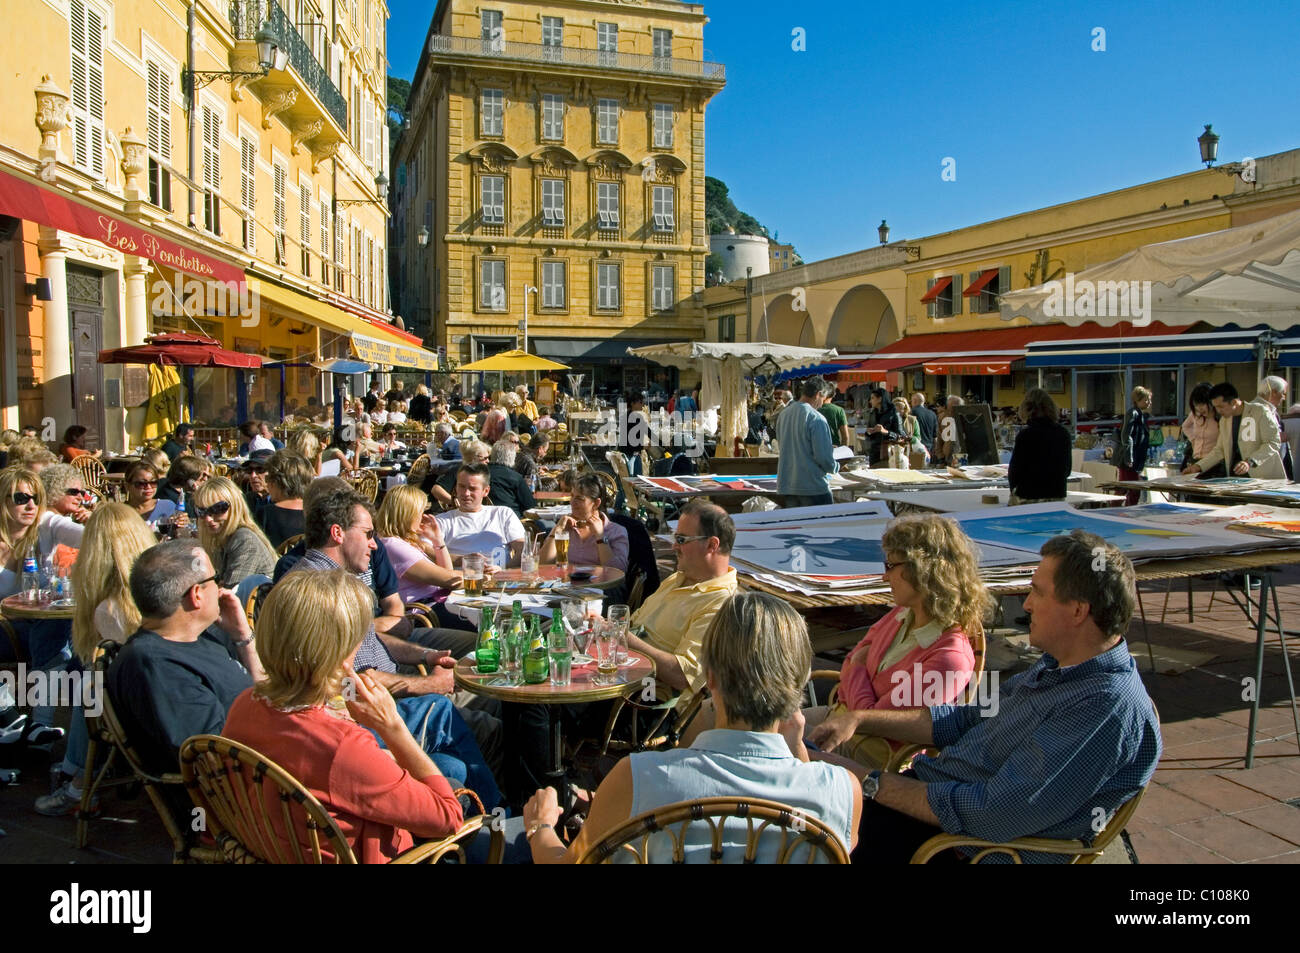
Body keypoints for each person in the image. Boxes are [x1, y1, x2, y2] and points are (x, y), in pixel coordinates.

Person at [814, 530, 1161, 864]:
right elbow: (964, 719)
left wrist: (869, 781)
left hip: (953, 845)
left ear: (1077, 611)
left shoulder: (1103, 707)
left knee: (798, 829)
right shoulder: (1059, 668)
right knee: (797, 794)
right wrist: (858, 718)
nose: (1026, 605)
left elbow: (991, 812)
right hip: (927, 807)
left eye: (1038, 593)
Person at [512, 592, 861, 863]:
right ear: (800, 682)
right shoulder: (842, 792)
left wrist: (540, 825)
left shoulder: (638, 776)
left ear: (709, 678)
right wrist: (797, 750)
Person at [221, 570, 465, 862]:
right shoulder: (344, 746)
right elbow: (449, 818)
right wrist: (393, 727)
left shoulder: (244, 705)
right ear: (337, 652)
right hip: (395, 855)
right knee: (463, 795)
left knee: (451, 766)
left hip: (281, 847)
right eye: (356, 639)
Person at [797, 516, 987, 770]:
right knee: (751, 726)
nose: (885, 576)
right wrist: (857, 670)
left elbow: (874, 719)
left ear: (922, 570)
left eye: (890, 565)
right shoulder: (900, 615)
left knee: (764, 739)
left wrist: (855, 669)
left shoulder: (949, 656)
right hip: (839, 720)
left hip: (872, 756)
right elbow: (858, 676)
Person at [105, 540, 263, 780]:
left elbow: (261, 691)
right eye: (216, 578)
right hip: (251, 793)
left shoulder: (197, 638)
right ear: (196, 594)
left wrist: (242, 637)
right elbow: (214, 757)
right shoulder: (158, 666)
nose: (222, 588)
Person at [37, 504, 156, 816]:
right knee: (89, 680)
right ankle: (76, 777)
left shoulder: (112, 608)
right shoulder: (152, 589)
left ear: (95, 551)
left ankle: (77, 784)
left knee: (90, 686)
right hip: (170, 696)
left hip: (145, 714)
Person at [0, 467, 84, 743]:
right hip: (3, 629)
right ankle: (56, 735)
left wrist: (98, 522)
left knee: (62, 628)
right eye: (22, 497)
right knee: (71, 652)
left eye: (37, 497)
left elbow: (84, 536)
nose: (31, 505)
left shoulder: (45, 523)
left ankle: (41, 731)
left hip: (35, 626)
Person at [375, 484, 461, 606]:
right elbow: (448, 580)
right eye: (421, 512)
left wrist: (437, 540)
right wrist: (485, 578)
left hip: (437, 602)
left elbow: (448, 573)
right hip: (424, 611)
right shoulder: (393, 546)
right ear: (407, 515)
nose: (423, 517)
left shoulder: (405, 541)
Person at [1183, 382, 1284, 479]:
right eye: (1215, 407)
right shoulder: (1224, 421)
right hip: (1234, 477)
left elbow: (1273, 442)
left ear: (1234, 402)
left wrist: (1250, 461)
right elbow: (1219, 450)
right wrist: (1198, 467)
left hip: (1262, 477)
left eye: (1221, 406)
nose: (1218, 411)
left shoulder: (1260, 411)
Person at [192, 477, 277, 591]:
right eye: (201, 511)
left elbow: (229, 594)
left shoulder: (244, 539)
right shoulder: (221, 538)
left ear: (235, 507)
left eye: (217, 509)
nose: (208, 518)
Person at [435, 463, 526, 568]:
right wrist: (463, 560)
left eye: (472, 489)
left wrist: (503, 571)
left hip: (499, 579)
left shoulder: (502, 514)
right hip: (460, 580)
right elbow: (424, 551)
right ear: (455, 487)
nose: (466, 493)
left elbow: (523, 549)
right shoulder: (442, 521)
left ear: (486, 491)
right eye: (462, 486)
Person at [538, 471, 628, 571]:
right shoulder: (565, 526)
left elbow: (618, 571)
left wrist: (600, 537)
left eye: (580, 498)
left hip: (601, 585)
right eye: (572, 496)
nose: (572, 502)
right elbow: (542, 564)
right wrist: (557, 531)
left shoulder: (616, 531)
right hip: (567, 584)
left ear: (596, 503)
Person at [775, 377, 838, 508]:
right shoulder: (816, 418)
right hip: (813, 487)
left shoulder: (784, 414)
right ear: (818, 394)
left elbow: (783, 445)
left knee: (795, 527)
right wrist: (836, 466)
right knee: (821, 526)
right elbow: (823, 458)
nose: (821, 404)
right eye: (822, 399)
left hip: (788, 485)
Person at [1008, 388, 1072, 504]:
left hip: (1028, 495)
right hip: (1056, 495)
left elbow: (1015, 471)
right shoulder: (1063, 433)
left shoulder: (1025, 435)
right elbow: (1067, 470)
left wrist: (1013, 491)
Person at [258, 450, 311, 548]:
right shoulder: (317, 512)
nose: (267, 483)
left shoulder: (265, 514)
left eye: (268, 478)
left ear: (276, 481)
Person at [426, 438, 490, 509]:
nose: (488, 461)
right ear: (474, 458)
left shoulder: (482, 472)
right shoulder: (459, 469)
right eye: (486, 458)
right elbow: (436, 490)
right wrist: (454, 502)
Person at [1116, 386, 1151, 505]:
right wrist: (1128, 456)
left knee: (1133, 489)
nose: (1149, 402)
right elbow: (1127, 435)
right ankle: (1115, 509)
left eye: (1149, 400)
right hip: (1129, 459)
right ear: (1137, 400)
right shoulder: (1133, 413)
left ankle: (1127, 509)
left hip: (1135, 459)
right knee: (1127, 487)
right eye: (1146, 400)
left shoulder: (1140, 414)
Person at [486, 436, 537, 517]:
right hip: (511, 519)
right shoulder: (515, 477)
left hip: (485, 518)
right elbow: (530, 506)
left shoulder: (480, 474)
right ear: (512, 457)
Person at [1181, 383, 1222, 479]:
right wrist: (1193, 440)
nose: (1199, 408)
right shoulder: (1195, 414)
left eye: (1202, 404)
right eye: (1196, 405)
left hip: (1213, 463)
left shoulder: (1221, 417)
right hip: (1195, 460)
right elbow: (1185, 426)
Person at [1254, 376, 1292, 480]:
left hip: (1274, 465)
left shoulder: (1270, 409)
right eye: (1283, 393)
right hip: (1264, 469)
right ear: (1273, 392)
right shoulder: (1256, 409)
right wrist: (1278, 437)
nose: (1284, 397)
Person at [122, 462, 180, 529]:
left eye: (153, 482)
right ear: (127, 486)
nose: (148, 487)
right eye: (141, 483)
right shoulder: (119, 512)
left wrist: (182, 523)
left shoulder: (168, 507)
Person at [865, 388, 904, 465]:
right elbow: (869, 435)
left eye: (872, 398)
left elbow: (901, 436)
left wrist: (885, 432)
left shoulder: (894, 413)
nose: (870, 401)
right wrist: (869, 432)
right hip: (874, 452)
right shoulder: (872, 413)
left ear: (880, 399)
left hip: (889, 452)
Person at [893, 396, 925, 468]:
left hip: (909, 453)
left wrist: (911, 438)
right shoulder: (889, 420)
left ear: (905, 409)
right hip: (893, 453)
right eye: (895, 409)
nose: (898, 412)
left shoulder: (912, 420)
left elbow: (918, 437)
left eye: (900, 409)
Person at [239, 449, 273, 515]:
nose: (253, 475)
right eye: (249, 470)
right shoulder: (247, 500)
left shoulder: (282, 503)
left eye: (260, 469)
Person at [819, 384, 852, 448]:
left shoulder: (813, 409)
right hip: (834, 448)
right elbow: (845, 437)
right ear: (833, 395)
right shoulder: (839, 410)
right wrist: (843, 452)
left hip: (816, 449)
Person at [910, 392, 939, 460]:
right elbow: (935, 435)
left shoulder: (912, 412)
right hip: (929, 447)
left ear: (914, 401)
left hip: (917, 447)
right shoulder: (932, 414)